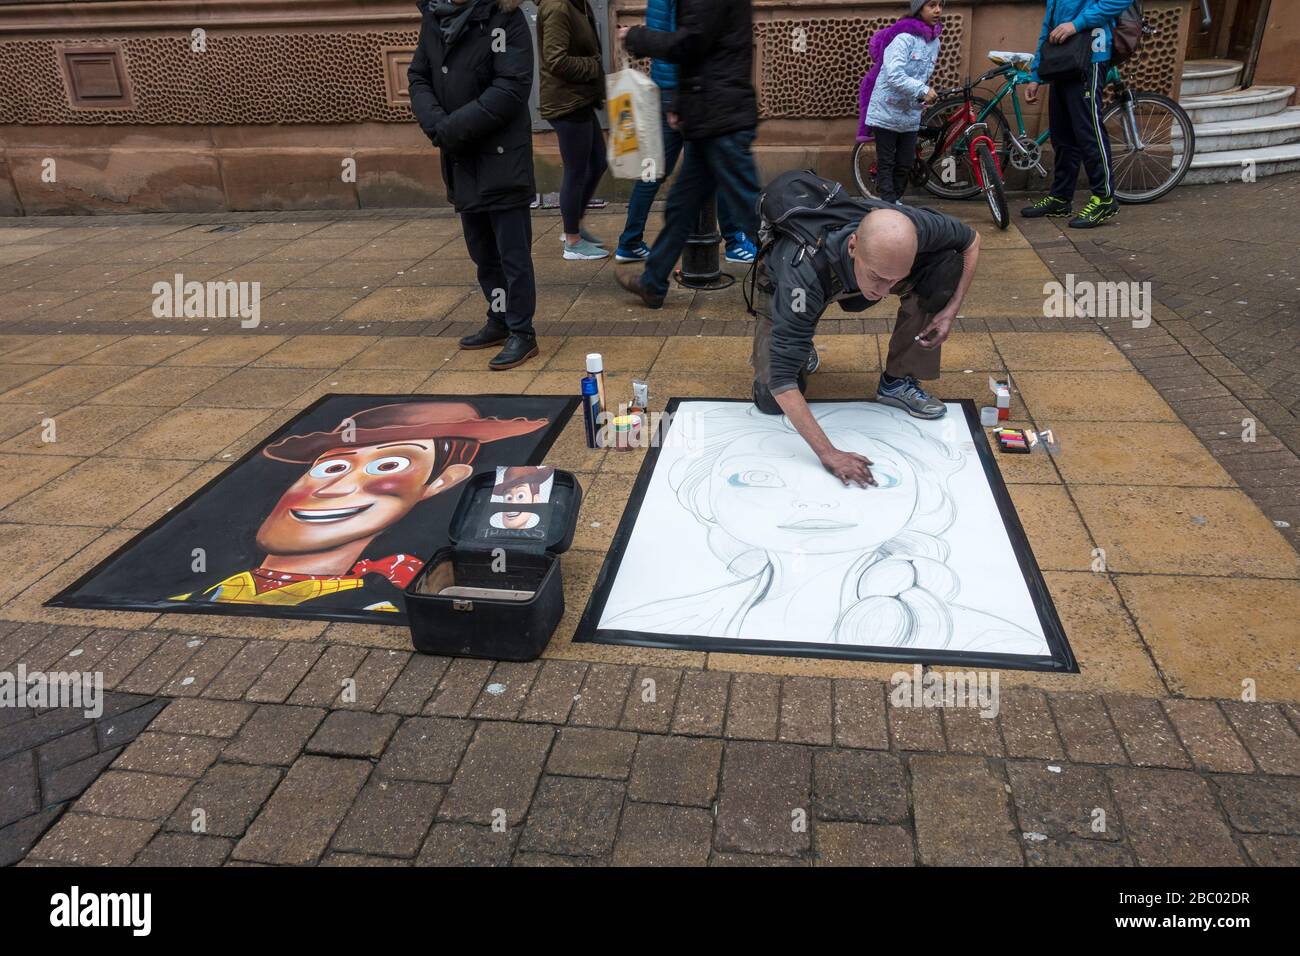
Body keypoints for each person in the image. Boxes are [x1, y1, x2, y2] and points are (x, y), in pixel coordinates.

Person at [170, 402, 549, 612]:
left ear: (440, 482)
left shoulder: (381, 595)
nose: (337, 487)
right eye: (331, 467)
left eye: (389, 466)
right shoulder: (206, 591)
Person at [749, 172, 981, 488]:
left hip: (849, 274)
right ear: (854, 245)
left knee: (943, 269)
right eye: (879, 278)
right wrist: (829, 453)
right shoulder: (799, 279)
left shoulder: (909, 226)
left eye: (895, 279)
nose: (886, 292)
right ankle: (801, 345)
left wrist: (951, 309)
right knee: (771, 399)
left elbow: (971, 241)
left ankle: (897, 381)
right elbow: (781, 381)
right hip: (788, 285)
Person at [407, 0, 541, 370]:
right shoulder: (435, 18)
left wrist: (453, 128)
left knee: (512, 254)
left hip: (501, 158)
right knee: (482, 252)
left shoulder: (505, 17)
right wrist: (436, 122)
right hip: (460, 160)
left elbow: (511, 87)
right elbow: (418, 75)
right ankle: (498, 319)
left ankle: (521, 331)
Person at [613, 0, 760, 309]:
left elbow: (691, 42)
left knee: (749, 208)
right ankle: (652, 283)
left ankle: (795, 272)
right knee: (681, 206)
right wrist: (680, 103)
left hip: (722, 118)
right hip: (709, 115)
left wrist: (636, 37)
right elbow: (700, 57)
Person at [1019, 0, 1128, 228]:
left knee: (1089, 132)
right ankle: (1060, 197)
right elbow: (1047, 28)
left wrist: (1076, 24)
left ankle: (1104, 199)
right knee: (1062, 135)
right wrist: (1036, 75)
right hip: (1063, 60)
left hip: (1090, 58)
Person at [537, 0, 610, 260]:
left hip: (580, 98)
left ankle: (574, 225)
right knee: (576, 170)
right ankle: (572, 241)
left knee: (598, 161)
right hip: (567, 102)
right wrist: (594, 65)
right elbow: (556, 60)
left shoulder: (575, 4)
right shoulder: (557, 7)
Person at [859, 0, 944, 205]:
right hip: (886, 109)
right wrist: (923, 91)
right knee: (887, 163)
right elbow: (894, 75)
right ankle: (888, 207)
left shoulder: (935, 42)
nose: (938, 10)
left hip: (909, 112)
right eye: (931, 5)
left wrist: (923, 97)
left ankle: (894, 202)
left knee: (905, 163)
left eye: (940, 4)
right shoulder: (903, 38)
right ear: (918, 8)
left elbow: (921, 75)